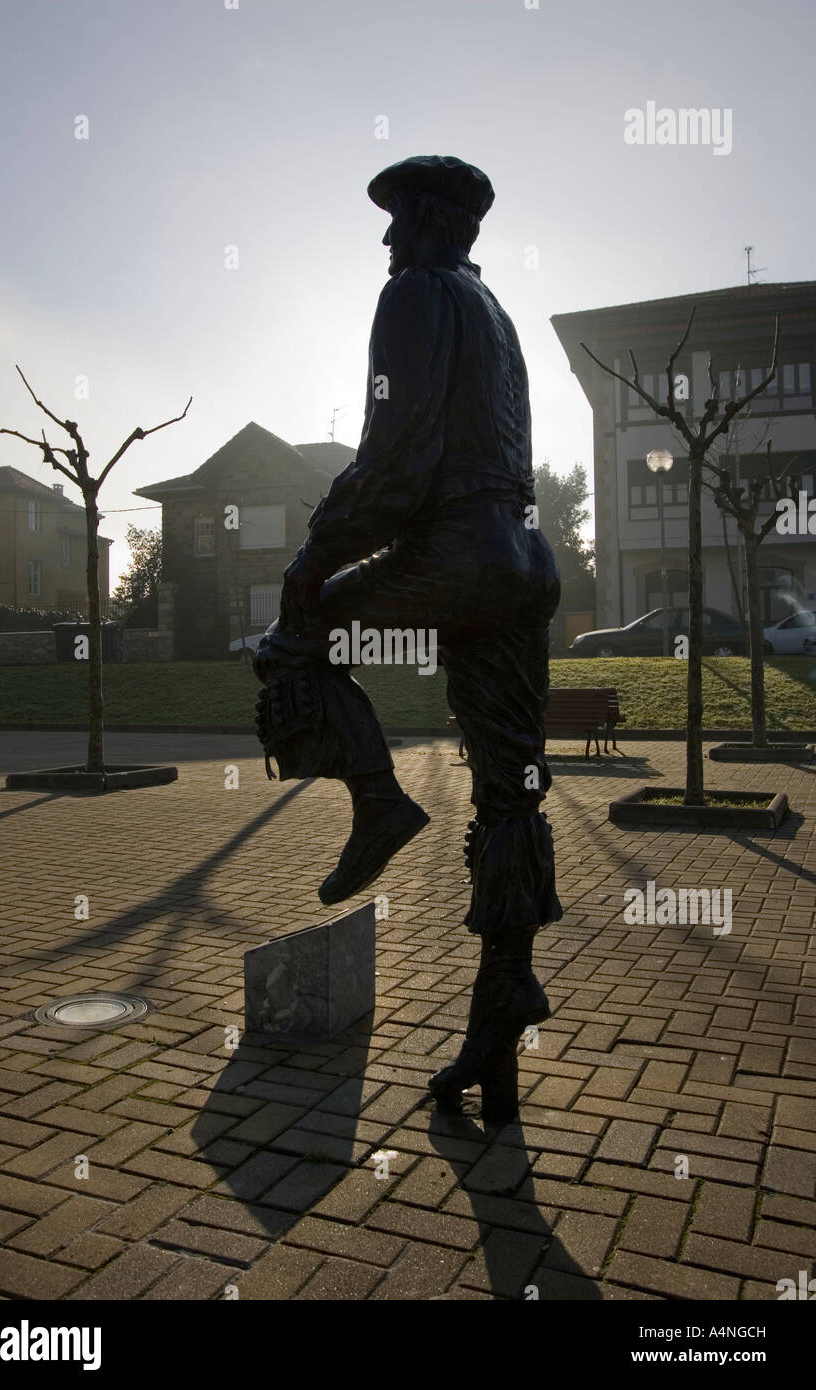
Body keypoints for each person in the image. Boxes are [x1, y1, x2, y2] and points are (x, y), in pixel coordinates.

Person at [254, 155, 562, 1120]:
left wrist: (314, 558)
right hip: (525, 559)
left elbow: (396, 458)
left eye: (397, 223)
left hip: (461, 550)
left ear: (429, 226)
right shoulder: (496, 313)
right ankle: (499, 1012)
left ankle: (380, 803)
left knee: (292, 641)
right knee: (508, 789)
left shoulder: (418, 295)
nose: (386, 242)